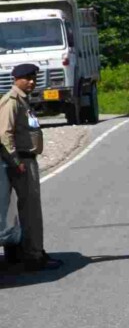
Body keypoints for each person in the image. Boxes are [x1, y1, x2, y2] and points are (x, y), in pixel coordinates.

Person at [0, 63, 61, 271]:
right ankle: (34, 256)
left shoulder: (23, 101)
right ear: (15, 79)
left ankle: (29, 251)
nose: (32, 81)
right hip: (21, 162)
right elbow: (4, 133)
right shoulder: (12, 101)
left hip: (27, 159)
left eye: (34, 77)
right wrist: (16, 162)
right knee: (31, 211)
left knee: (26, 211)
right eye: (27, 77)